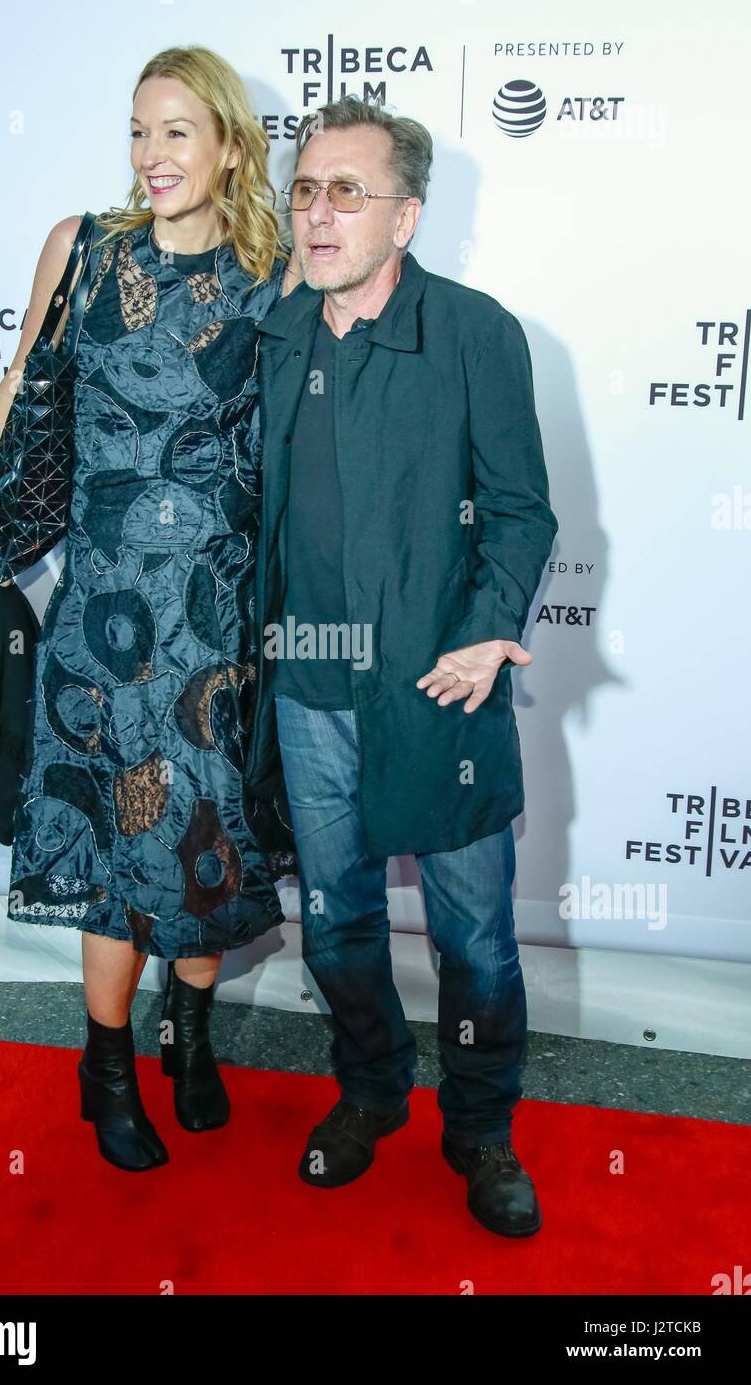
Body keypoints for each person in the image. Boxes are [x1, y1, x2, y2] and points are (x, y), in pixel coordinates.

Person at [0, 46, 301, 1173]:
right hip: (104, 606)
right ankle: (104, 1064)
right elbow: (22, 389)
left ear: (227, 144)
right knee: (116, 847)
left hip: (216, 613)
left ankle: (186, 1038)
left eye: (176, 132)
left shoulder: (273, 271)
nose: (152, 157)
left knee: (210, 842)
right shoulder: (84, 250)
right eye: (138, 131)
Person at [245, 94, 559, 1237]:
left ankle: (480, 1131)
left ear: (407, 216)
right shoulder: (273, 334)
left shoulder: (474, 333)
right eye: (305, 190)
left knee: (473, 935)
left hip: (438, 691)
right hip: (307, 692)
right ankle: (369, 1091)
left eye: (347, 192)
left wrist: (484, 630)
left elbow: (520, 512)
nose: (316, 214)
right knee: (336, 926)